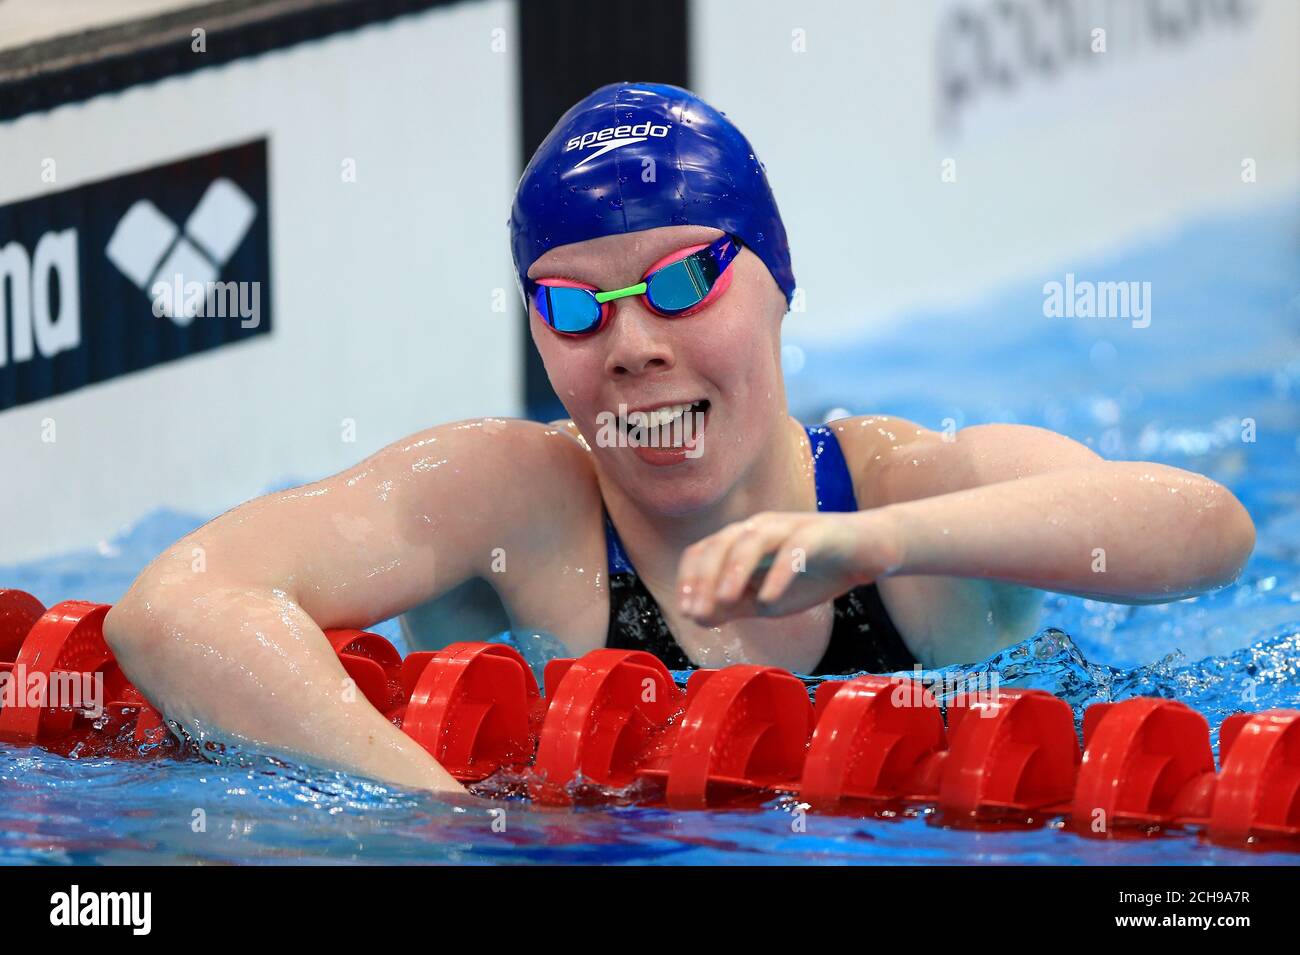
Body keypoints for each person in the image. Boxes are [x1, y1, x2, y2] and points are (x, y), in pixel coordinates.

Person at [103, 83, 1256, 794]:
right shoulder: (514, 501)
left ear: (777, 282)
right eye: (570, 303)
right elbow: (173, 608)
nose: (631, 343)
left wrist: (878, 543)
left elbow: (1204, 532)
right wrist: (436, 821)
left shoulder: (908, 496)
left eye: (684, 279)